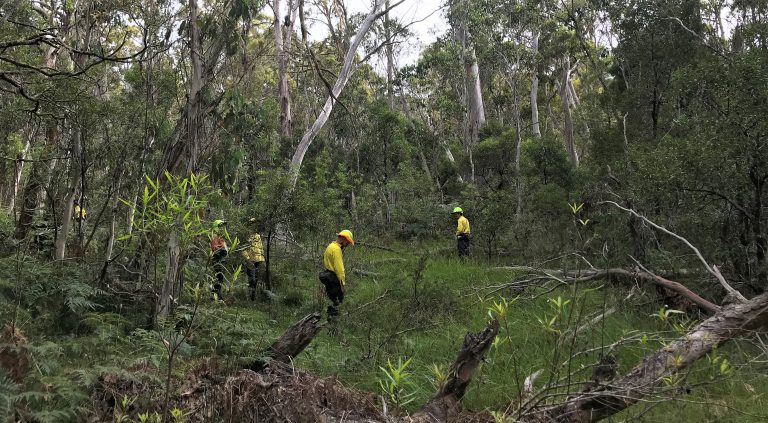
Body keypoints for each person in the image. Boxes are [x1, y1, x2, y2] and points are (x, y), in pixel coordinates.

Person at [319, 229, 354, 320]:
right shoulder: (336, 249)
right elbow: (339, 269)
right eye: (348, 241)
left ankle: (331, 324)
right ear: (343, 239)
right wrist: (342, 284)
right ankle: (334, 327)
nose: (348, 244)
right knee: (337, 303)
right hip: (334, 279)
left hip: (328, 277)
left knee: (331, 301)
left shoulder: (331, 246)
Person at [242, 218, 266, 301]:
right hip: (250, 260)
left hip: (259, 260)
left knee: (256, 279)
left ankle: (252, 298)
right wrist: (247, 259)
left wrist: (263, 259)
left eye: (256, 224)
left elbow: (260, 248)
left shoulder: (258, 236)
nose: (255, 226)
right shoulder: (246, 235)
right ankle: (248, 296)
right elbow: (243, 248)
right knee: (251, 279)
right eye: (253, 224)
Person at [210, 219, 228, 300]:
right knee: (218, 277)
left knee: (220, 277)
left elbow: (225, 248)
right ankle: (214, 295)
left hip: (221, 260)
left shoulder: (221, 238)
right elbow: (214, 248)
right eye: (220, 226)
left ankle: (216, 295)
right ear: (216, 227)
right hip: (216, 259)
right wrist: (222, 249)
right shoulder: (214, 236)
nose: (222, 228)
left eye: (223, 227)